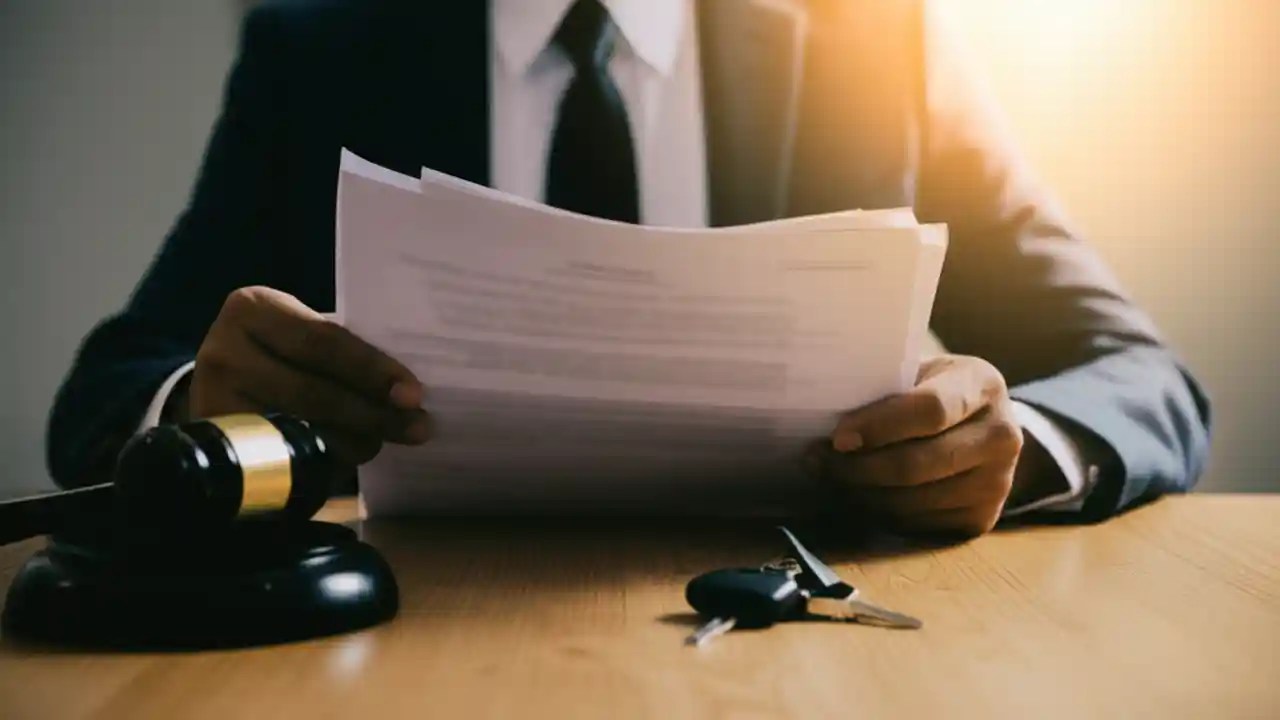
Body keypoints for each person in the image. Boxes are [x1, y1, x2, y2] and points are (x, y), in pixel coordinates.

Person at [46, 0, 1210, 536]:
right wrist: (204, 409)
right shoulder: (319, 46)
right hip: (409, 658)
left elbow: (1140, 374)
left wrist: (1009, 453)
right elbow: (109, 396)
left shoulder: (878, 40)